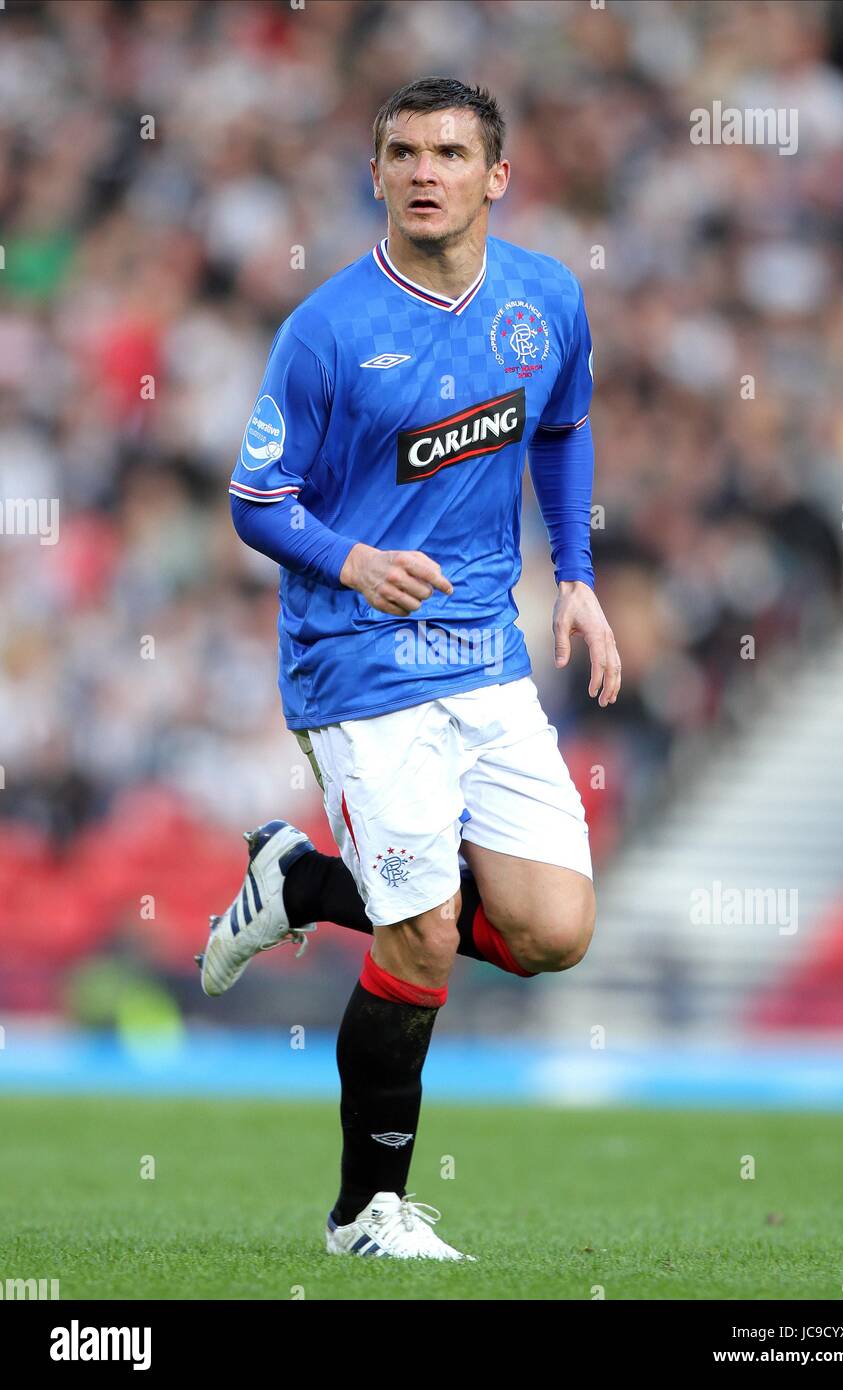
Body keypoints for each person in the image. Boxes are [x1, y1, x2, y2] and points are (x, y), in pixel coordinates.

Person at [196, 76, 621, 1262]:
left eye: (448, 151)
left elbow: (563, 426)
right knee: (424, 937)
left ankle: (299, 885)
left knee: (554, 929)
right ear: (373, 173)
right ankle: (362, 1215)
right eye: (401, 151)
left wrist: (576, 576)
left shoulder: (544, 300)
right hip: (357, 659)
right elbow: (254, 500)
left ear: (496, 175)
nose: (423, 169)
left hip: (484, 654)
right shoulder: (326, 331)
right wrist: (354, 561)